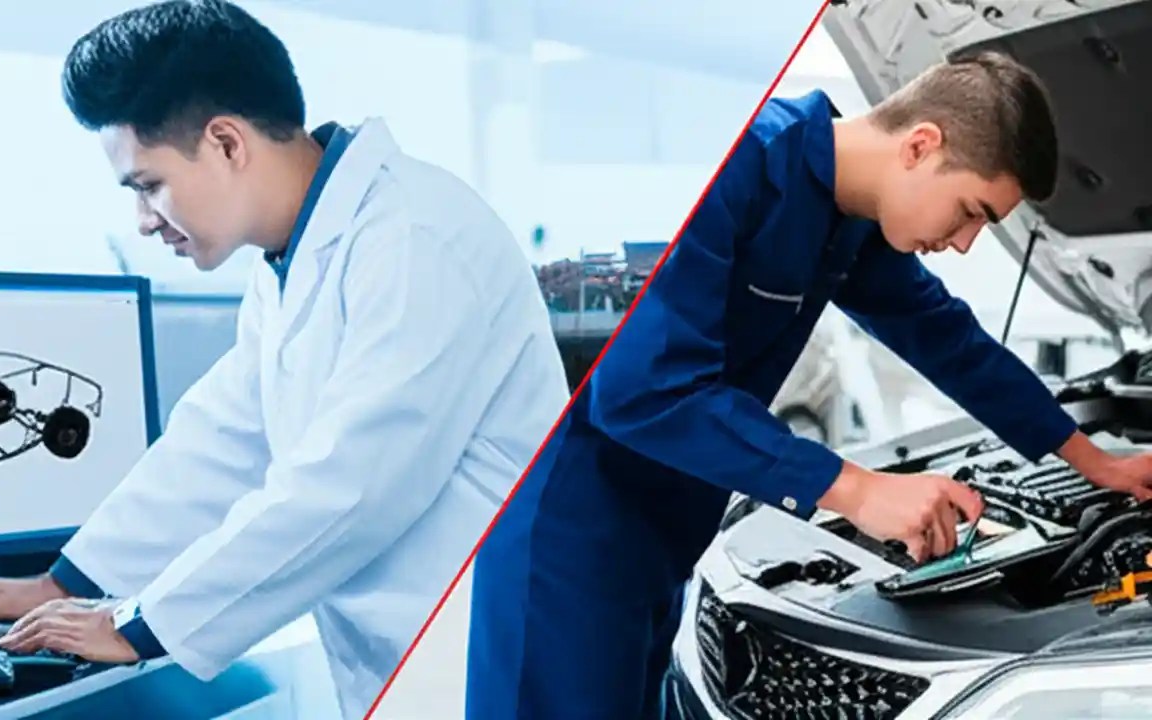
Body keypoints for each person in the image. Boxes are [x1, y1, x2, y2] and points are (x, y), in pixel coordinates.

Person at [0, 1, 568, 717]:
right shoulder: (295, 256)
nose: (142, 220)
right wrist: (67, 584)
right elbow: (222, 441)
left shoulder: (415, 238)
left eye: (149, 185)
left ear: (226, 142)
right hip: (412, 665)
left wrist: (138, 623)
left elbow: (351, 487)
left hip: (491, 663)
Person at [466, 51, 1152, 720]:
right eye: (970, 211)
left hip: (662, 533)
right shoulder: (734, 166)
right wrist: (858, 490)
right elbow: (642, 389)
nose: (967, 242)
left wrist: (1095, 461)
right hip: (570, 535)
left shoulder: (847, 223)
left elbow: (946, 338)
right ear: (920, 145)